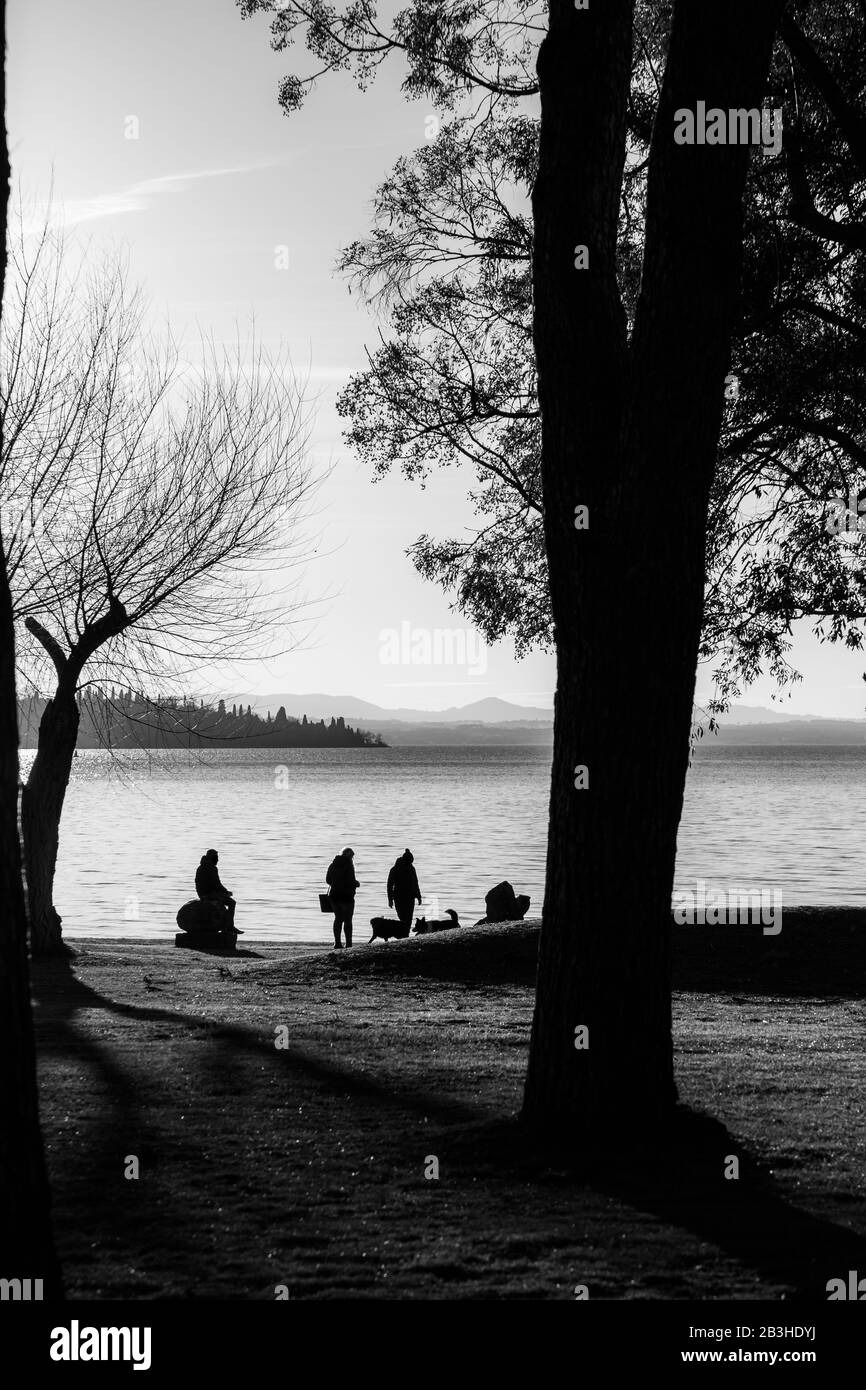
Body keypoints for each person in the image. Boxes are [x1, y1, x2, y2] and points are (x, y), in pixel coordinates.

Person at [195, 848, 242, 936]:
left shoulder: (201, 867)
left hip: (202, 893)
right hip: (208, 894)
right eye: (216, 857)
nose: (218, 860)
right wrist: (226, 892)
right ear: (212, 858)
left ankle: (226, 927)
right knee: (231, 903)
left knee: (223, 902)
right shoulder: (211, 868)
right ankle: (229, 926)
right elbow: (216, 884)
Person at [326, 846, 359, 949]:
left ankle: (337, 943)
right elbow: (350, 881)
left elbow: (328, 880)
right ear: (350, 857)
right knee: (348, 920)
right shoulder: (348, 865)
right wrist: (356, 884)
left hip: (334, 896)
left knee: (338, 919)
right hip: (346, 897)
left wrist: (336, 884)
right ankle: (348, 944)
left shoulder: (333, 864)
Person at [387, 848, 422, 934]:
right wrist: (390, 899)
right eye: (409, 862)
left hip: (410, 897)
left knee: (408, 918)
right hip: (399, 897)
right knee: (402, 917)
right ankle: (404, 934)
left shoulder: (411, 868)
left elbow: (415, 883)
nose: (410, 864)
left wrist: (418, 896)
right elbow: (390, 885)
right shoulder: (395, 869)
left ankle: (405, 934)